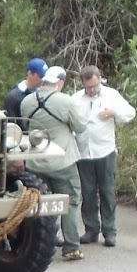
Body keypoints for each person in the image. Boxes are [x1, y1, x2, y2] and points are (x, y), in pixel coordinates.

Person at [21, 64, 89, 261]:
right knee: (71, 201)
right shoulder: (65, 101)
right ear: (60, 82)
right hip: (63, 160)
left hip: (35, 161)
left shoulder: (27, 101)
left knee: (40, 204)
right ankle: (72, 246)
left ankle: (42, 243)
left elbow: (25, 125)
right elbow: (80, 126)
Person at [74, 64, 136, 247]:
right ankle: (91, 229)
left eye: (94, 85)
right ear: (83, 83)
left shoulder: (111, 95)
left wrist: (114, 113)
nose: (92, 89)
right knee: (88, 192)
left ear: (99, 78)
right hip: (84, 153)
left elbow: (130, 113)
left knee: (107, 192)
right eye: (88, 86)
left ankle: (109, 231)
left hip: (105, 151)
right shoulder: (76, 99)